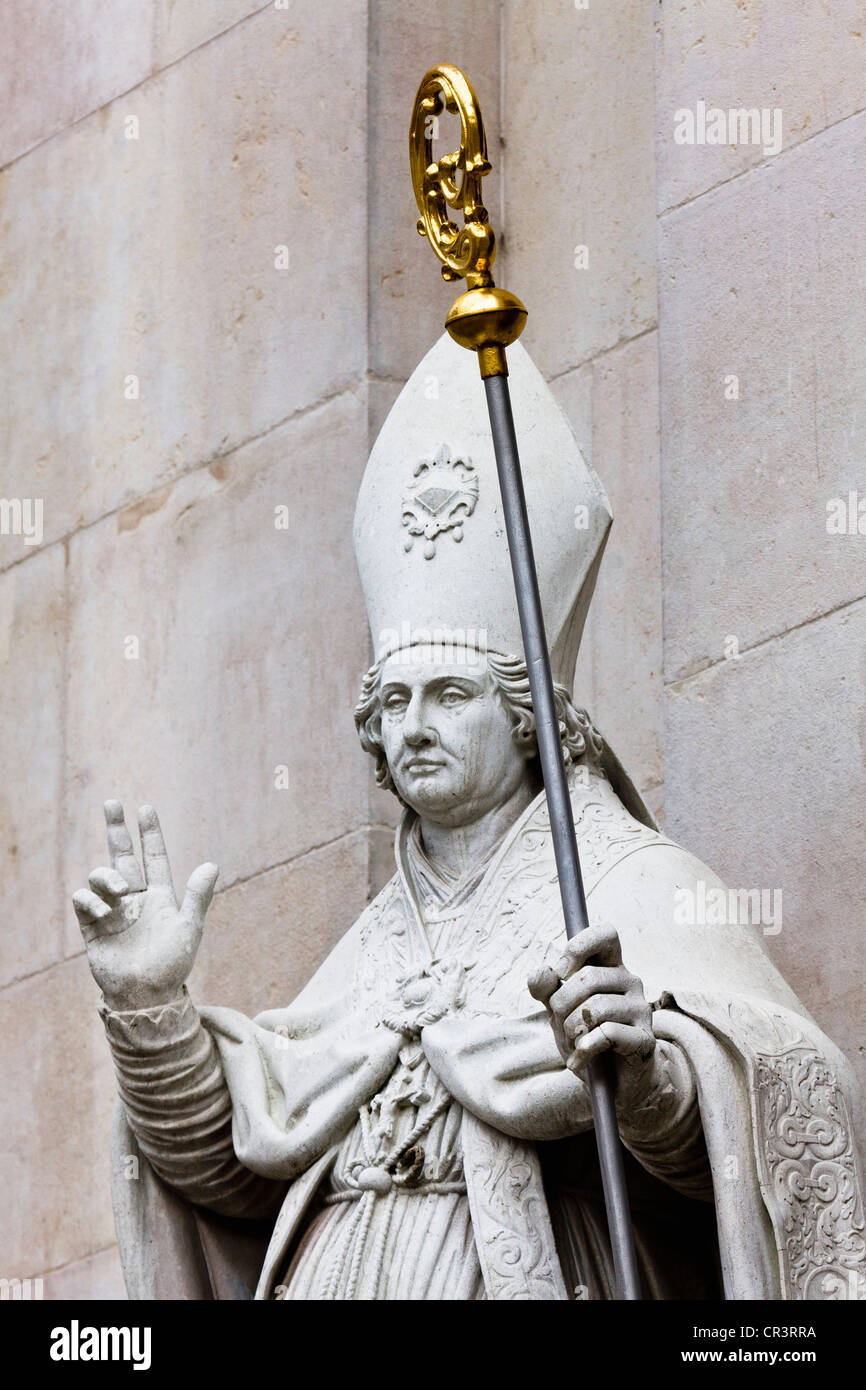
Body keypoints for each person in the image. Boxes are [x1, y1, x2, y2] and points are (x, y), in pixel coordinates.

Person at [74, 335, 866, 1300]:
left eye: (450, 694)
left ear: (531, 719)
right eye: (392, 704)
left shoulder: (633, 882)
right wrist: (150, 1009)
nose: (414, 728)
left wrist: (652, 1074)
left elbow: (775, 1102)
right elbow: (229, 1174)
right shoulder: (372, 947)